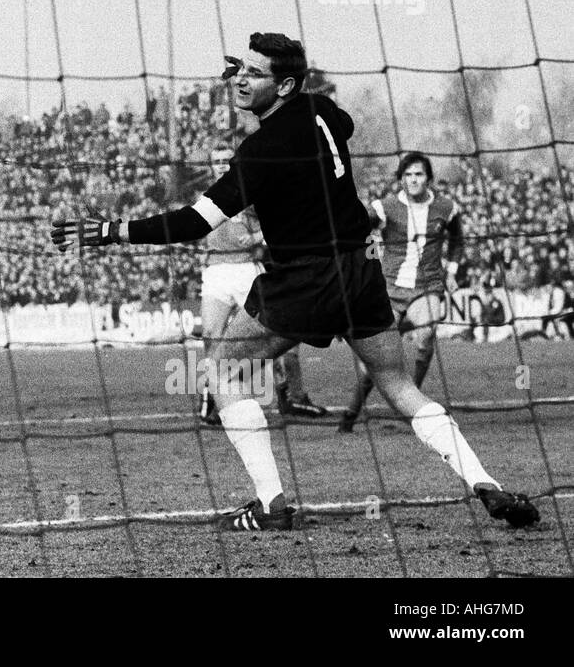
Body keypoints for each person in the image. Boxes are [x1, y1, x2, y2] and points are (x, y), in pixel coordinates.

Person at [52, 32, 539, 531]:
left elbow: (193, 224)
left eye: (253, 73)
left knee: (220, 371)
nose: (239, 77)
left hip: (307, 277)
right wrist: (273, 86)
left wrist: (112, 231)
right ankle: (487, 484)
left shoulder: (261, 152)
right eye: (238, 68)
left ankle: (270, 504)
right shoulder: (324, 111)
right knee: (397, 384)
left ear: (284, 86)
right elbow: (337, 118)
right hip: (359, 269)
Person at [198, 145, 326, 427]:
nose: (221, 166)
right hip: (216, 270)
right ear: (210, 166)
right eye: (216, 162)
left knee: (268, 334)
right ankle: (214, 396)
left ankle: (288, 395)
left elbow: (282, 220)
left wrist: (257, 236)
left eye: (225, 161)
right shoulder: (204, 197)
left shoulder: (250, 192)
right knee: (211, 334)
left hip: (247, 269)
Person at [338, 153, 462, 433]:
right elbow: (360, 230)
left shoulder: (446, 207)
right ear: (401, 179)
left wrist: (452, 271)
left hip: (426, 287)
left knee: (426, 334)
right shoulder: (385, 207)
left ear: (428, 178)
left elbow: (458, 239)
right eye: (408, 175)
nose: (413, 180)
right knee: (375, 361)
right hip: (389, 291)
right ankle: (350, 414)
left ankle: (413, 405)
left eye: (418, 174)